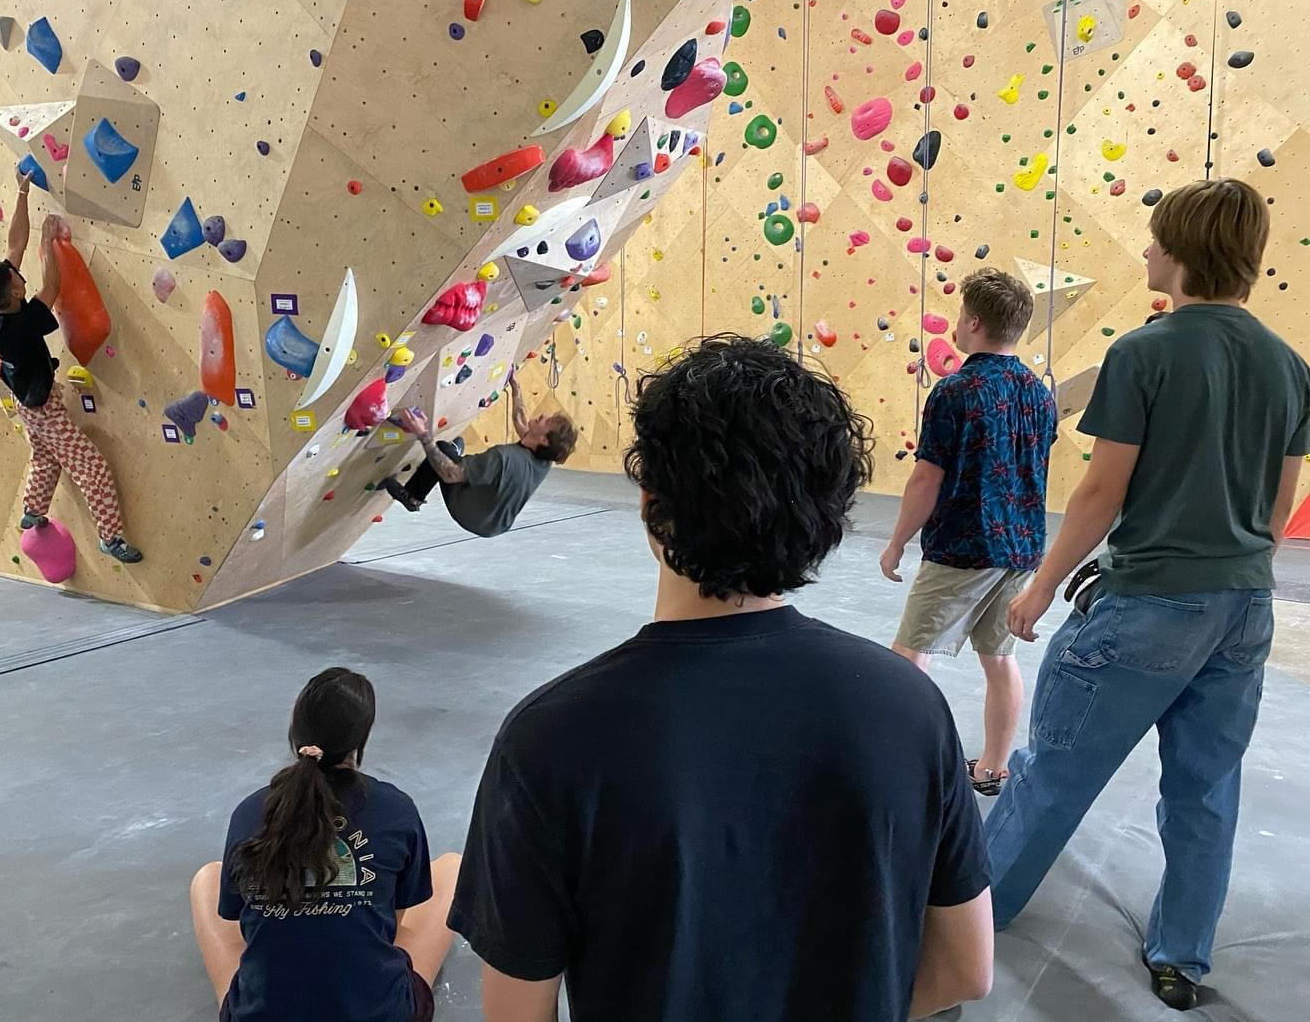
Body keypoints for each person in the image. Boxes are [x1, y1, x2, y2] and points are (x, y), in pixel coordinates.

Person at [448, 335, 995, 1022]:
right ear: (824, 515)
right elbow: (966, 970)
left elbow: (516, 1013)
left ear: (651, 504)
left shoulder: (550, 739)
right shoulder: (909, 706)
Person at [991, 179, 1310, 1011]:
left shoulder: (1145, 351)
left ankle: (976, 910)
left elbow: (1101, 492)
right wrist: (1233, 567)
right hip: (1243, 607)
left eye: (1153, 240)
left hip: (1149, 605)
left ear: (1182, 252)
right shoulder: (1289, 367)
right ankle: (1182, 955)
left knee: (1052, 773)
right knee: (1205, 789)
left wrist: (1040, 585)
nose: (1144, 252)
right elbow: (1281, 503)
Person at [190, 667, 461, 1022]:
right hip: (378, 1014)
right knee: (452, 867)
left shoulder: (250, 812)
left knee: (208, 878)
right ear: (360, 740)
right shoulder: (395, 809)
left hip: (262, 1015)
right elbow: (391, 925)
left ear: (294, 726)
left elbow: (236, 917)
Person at [879, 269, 1059, 796]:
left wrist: (896, 542)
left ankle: (896, 767)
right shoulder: (1038, 393)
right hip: (1021, 548)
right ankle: (993, 769)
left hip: (963, 547)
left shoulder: (955, 390)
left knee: (909, 657)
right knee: (999, 658)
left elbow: (926, 477)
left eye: (960, 315)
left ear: (974, 322)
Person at [0, 172, 140, 563]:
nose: (17, 270)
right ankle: (110, 538)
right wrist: (50, 245)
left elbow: (14, 242)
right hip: (42, 406)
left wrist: (22, 190)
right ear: (15, 291)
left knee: (46, 456)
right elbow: (51, 285)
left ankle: (33, 509)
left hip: (24, 400)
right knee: (91, 467)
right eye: (15, 276)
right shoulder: (23, 324)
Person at [377, 370, 577, 538]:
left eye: (547, 421)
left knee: (442, 451)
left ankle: (413, 497)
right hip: (496, 522)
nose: (543, 416)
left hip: (471, 514)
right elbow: (520, 420)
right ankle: (459, 459)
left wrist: (422, 434)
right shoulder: (542, 457)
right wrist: (515, 386)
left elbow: (450, 474)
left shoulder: (504, 457)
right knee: (458, 445)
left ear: (544, 439)